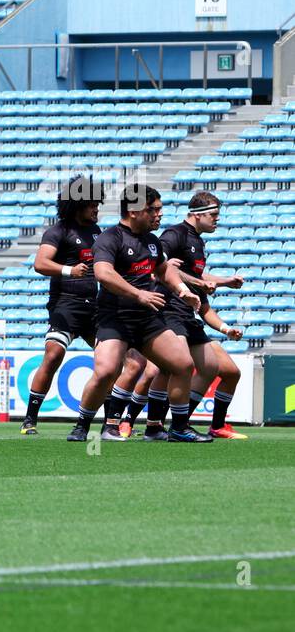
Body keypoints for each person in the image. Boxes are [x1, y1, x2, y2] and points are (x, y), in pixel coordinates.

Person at [66, 184, 208, 443]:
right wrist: (139, 293)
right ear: (133, 211)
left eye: (160, 209)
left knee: (183, 364)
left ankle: (177, 428)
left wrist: (181, 289)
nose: (159, 215)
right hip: (115, 317)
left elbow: (164, 270)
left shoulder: (151, 241)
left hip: (147, 319)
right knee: (106, 371)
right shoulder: (111, 238)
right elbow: (103, 274)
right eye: (153, 210)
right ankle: (82, 426)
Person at [150, 190, 248, 440]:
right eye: (214, 215)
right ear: (197, 215)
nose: (217, 219)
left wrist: (223, 283)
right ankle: (153, 425)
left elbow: (198, 279)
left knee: (210, 366)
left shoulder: (197, 241)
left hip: (187, 313)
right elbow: (159, 268)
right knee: (172, 367)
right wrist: (196, 283)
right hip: (169, 308)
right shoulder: (175, 234)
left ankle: (177, 424)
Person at [21, 175, 103, 435]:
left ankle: (112, 422)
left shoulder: (96, 231)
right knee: (54, 355)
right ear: (77, 205)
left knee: (110, 362)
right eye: (92, 204)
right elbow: (40, 263)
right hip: (65, 303)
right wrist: (69, 270)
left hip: (95, 306)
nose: (96, 208)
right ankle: (29, 419)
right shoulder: (57, 231)